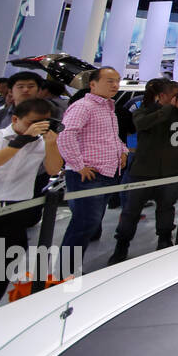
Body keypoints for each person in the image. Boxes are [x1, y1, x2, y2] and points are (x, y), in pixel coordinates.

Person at [0, 99, 62, 311]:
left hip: (14, 210)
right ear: (15, 119)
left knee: (2, 267)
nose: (39, 127)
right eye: (33, 122)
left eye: (44, 122)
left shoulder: (42, 143)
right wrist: (22, 140)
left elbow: (53, 170)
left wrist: (52, 144)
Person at [109, 80, 178, 263]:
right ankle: (122, 244)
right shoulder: (144, 111)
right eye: (175, 95)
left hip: (172, 171)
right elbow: (142, 124)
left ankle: (165, 239)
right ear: (162, 96)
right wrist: (166, 109)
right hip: (143, 170)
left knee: (167, 208)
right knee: (131, 211)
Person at [56, 67, 129, 274]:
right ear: (93, 84)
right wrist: (78, 165)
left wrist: (123, 152)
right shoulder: (83, 106)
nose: (115, 85)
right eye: (109, 81)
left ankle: (67, 270)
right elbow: (66, 135)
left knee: (90, 223)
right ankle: (64, 273)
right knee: (83, 224)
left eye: (117, 81)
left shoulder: (108, 107)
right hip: (88, 175)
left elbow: (112, 137)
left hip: (107, 173)